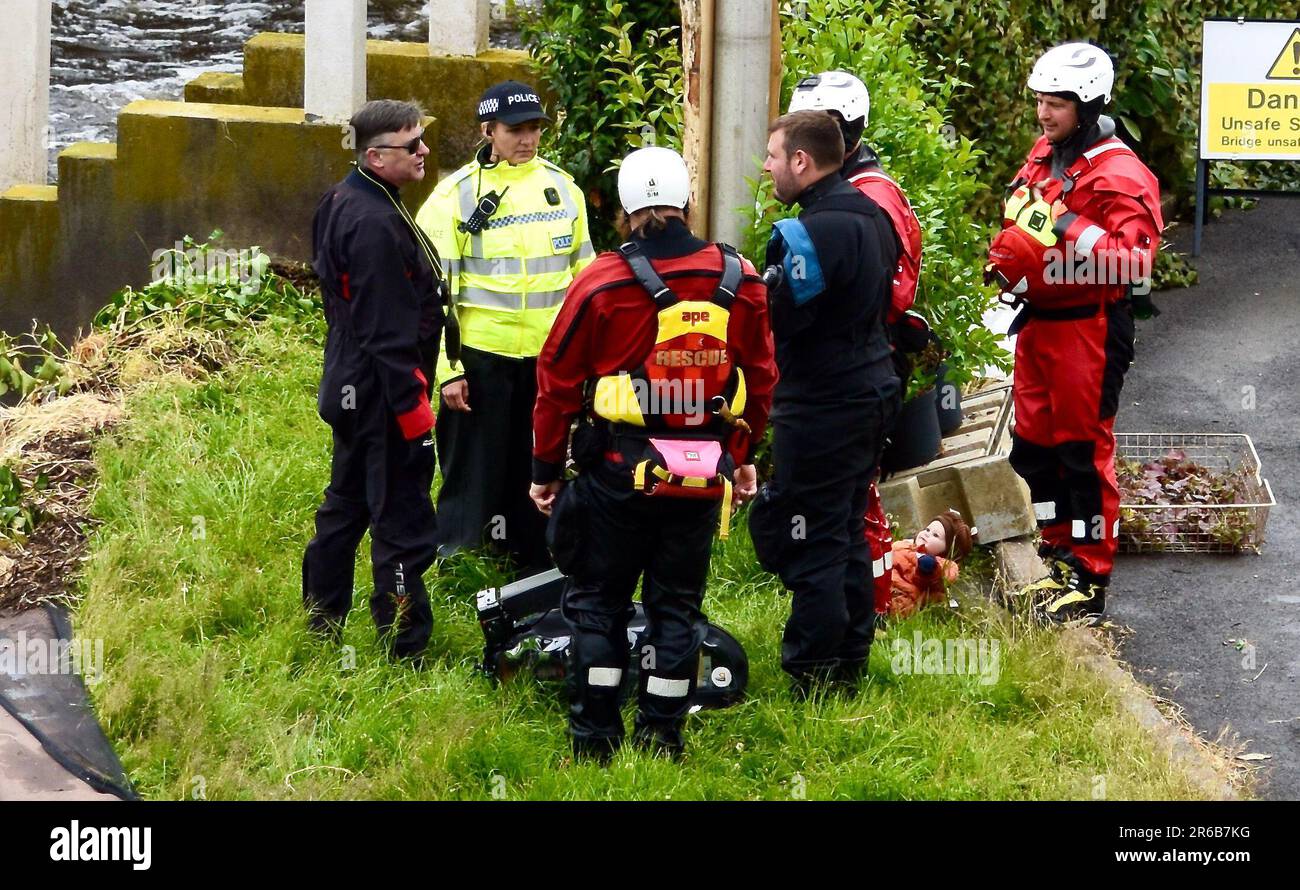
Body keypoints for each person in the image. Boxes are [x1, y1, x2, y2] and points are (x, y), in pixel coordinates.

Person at [530, 146, 776, 761]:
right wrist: (742, 455)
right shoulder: (739, 279)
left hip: (617, 473)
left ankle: (594, 739)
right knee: (677, 609)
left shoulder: (603, 281)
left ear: (624, 210)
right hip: (701, 476)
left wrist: (544, 471)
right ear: (686, 202)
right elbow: (764, 379)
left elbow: (556, 381)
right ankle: (663, 736)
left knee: (598, 605)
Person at [986, 42, 1163, 625]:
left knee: (1083, 455)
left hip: (1089, 328)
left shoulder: (1120, 174)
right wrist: (1009, 256)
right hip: (1040, 323)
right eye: (1039, 101)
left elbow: (1133, 264)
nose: (1043, 114)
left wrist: (1061, 222)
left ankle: (1090, 576)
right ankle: (1058, 545)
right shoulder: (1047, 152)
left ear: (1086, 106)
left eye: (1056, 104)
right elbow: (1019, 207)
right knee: (1034, 450)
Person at [749, 110, 901, 696]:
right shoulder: (875, 212)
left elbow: (784, 323)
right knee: (844, 528)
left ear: (801, 162)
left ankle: (810, 674)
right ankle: (851, 661)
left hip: (820, 403)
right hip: (874, 391)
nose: (766, 167)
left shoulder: (803, 234)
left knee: (809, 534)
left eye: (772, 156)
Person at [416, 80, 593, 572]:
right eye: (516, 130)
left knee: (539, 462)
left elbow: (587, 283)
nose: (528, 139)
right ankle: (460, 561)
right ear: (487, 130)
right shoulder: (453, 198)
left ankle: (534, 562)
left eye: (535, 128)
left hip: (547, 361)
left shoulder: (563, 190)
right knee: (474, 469)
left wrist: (588, 361)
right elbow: (432, 297)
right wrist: (447, 371)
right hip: (480, 357)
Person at [302, 99, 446, 660]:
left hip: (350, 383)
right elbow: (387, 330)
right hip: (385, 397)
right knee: (403, 522)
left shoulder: (344, 197)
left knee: (346, 507)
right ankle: (404, 643)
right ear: (376, 155)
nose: (424, 151)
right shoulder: (376, 223)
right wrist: (415, 411)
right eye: (413, 145)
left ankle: (321, 621)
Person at [789, 70, 925, 629]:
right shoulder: (857, 192)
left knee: (856, 501)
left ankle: (869, 611)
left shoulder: (869, 201)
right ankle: (862, 608)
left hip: (862, 362)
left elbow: (880, 294)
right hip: (862, 360)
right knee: (856, 497)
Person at [888, 509, 973, 619]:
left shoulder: (944, 564)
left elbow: (938, 577)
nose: (927, 534)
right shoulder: (905, 545)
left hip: (899, 598)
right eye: (927, 529)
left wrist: (929, 568)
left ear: (947, 549)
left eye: (935, 535)